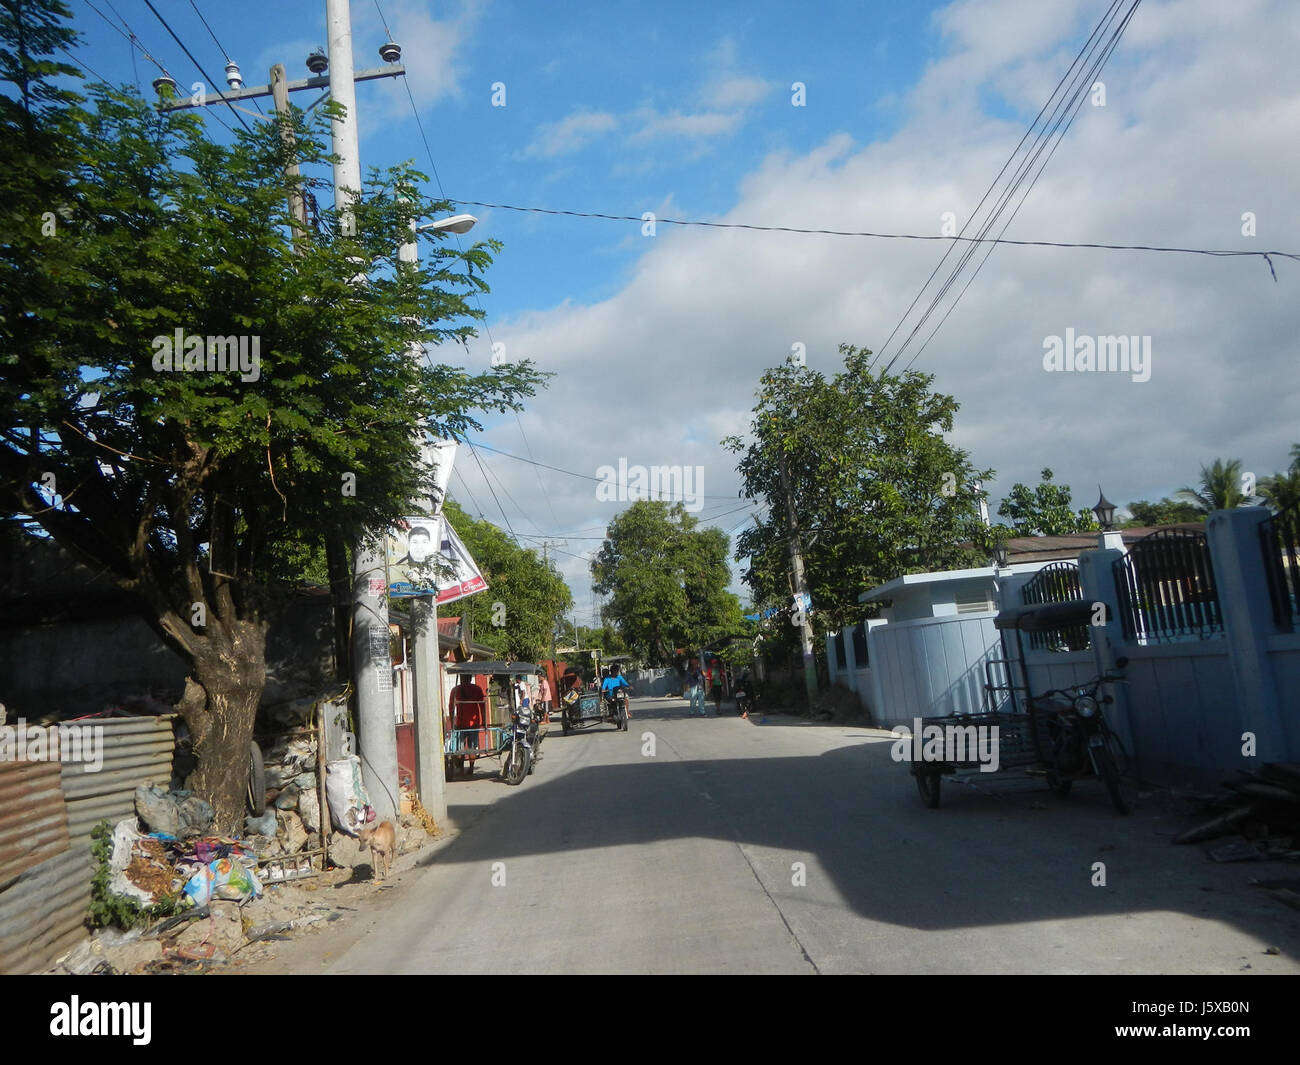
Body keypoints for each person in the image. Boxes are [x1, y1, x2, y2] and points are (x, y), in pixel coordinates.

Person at [447, 673, 486, 777]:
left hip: (461, 723)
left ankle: (462, 769)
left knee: (460, 747)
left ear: (461, 678)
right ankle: (470, 768)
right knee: (471, 746)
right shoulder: (476, 689)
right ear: (470, 678)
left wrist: (452, 722)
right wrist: (484, 721)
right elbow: (482, 706)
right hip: (472, 723)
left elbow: (451, 707)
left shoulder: (456, 690)